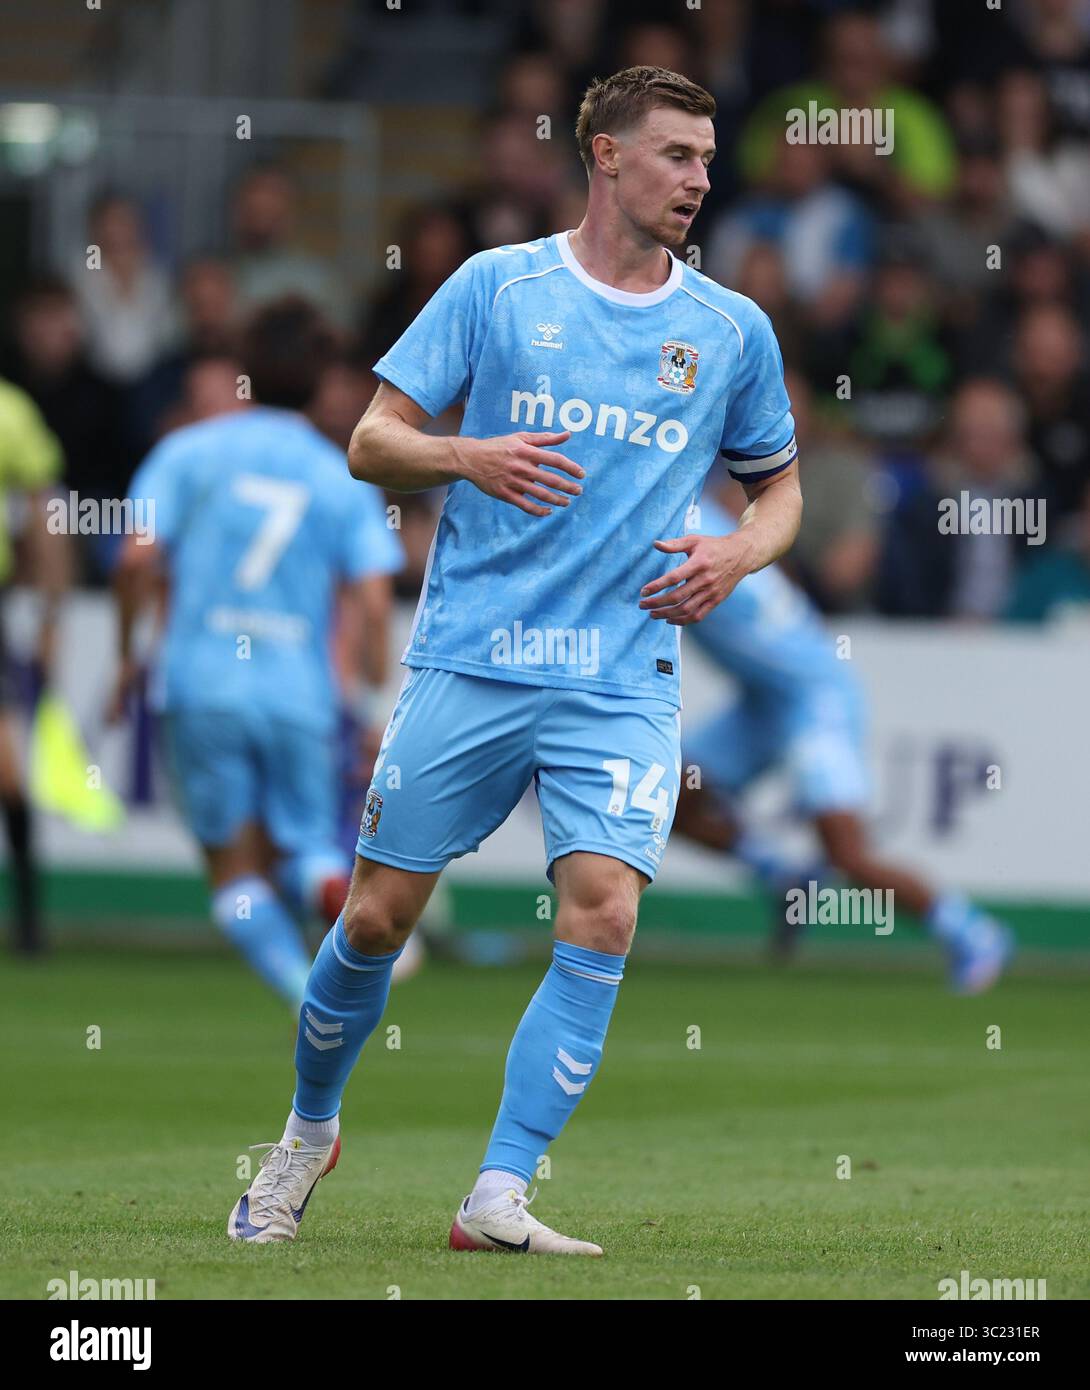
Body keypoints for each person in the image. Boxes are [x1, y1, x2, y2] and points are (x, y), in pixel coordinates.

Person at [228, 65, 801, 1254]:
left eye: (705, 157)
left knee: (601, 918)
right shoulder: (499, 287)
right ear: (602, 154)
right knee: (379, 918)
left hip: (619, 677)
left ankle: (498, 1193)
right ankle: (303, 1135)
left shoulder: (729, 330)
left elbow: (779, 489)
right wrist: (468, 456)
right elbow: (371, 440)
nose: (698, 177)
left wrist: (739, 553)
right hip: (474, 660)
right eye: (674, 154)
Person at [113, 298, 402, 1008]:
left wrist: (129, 654)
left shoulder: (189, 452)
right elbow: (370, 599)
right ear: (321, 382)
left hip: (202, 681)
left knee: (234, 871)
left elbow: (133, 558)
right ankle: (325, 887)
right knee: (306, 847)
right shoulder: (339, 475)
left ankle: (303, 992)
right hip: (300, 692)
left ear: (241, 370)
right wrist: (366, 699)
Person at [673, 486, 1014, 995]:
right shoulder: (696, 511)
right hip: (767, 697)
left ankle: (974, 932)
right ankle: (781, 873)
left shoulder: (674, 529)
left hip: (816, 696)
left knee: (847, 854)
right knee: (668, 797)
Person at [0, 376, 68, 953]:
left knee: (8, 771)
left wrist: (50, 617)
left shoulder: (10, 412)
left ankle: (27, 925)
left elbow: (45, 515)